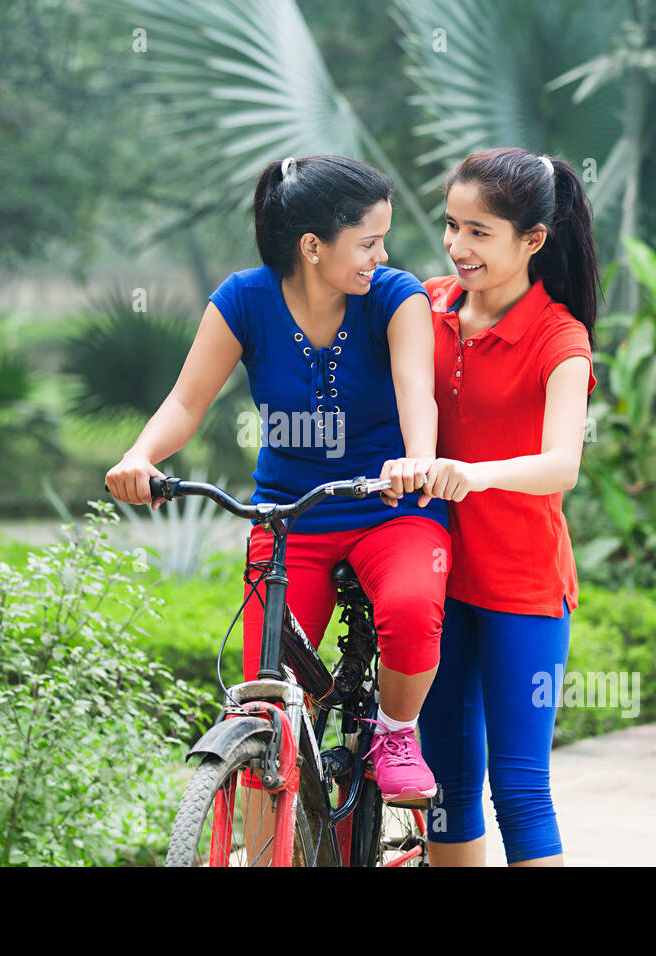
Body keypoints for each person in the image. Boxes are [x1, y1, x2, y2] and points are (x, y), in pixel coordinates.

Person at [105, 154, 451, 803]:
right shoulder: (244, 300)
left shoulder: (396, 296)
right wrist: (141, 455)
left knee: (409, 604)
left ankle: (397, 732)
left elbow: (417, 392)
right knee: (268, 710)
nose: (382, 255)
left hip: (393, 506)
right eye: (368, 242)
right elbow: (186, 403)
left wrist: (419, 459)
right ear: (312, 246)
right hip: (289, 517)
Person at [379, 147, 599, 866]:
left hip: (521, 588)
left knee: (520, 790)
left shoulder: (560, 338)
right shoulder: (428, 305)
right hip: (433, 578)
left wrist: (471, 475)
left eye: (480, 231)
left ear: (533, 239)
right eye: (451, 225)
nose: (457, 245)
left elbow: (562, 463)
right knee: (445, 788)